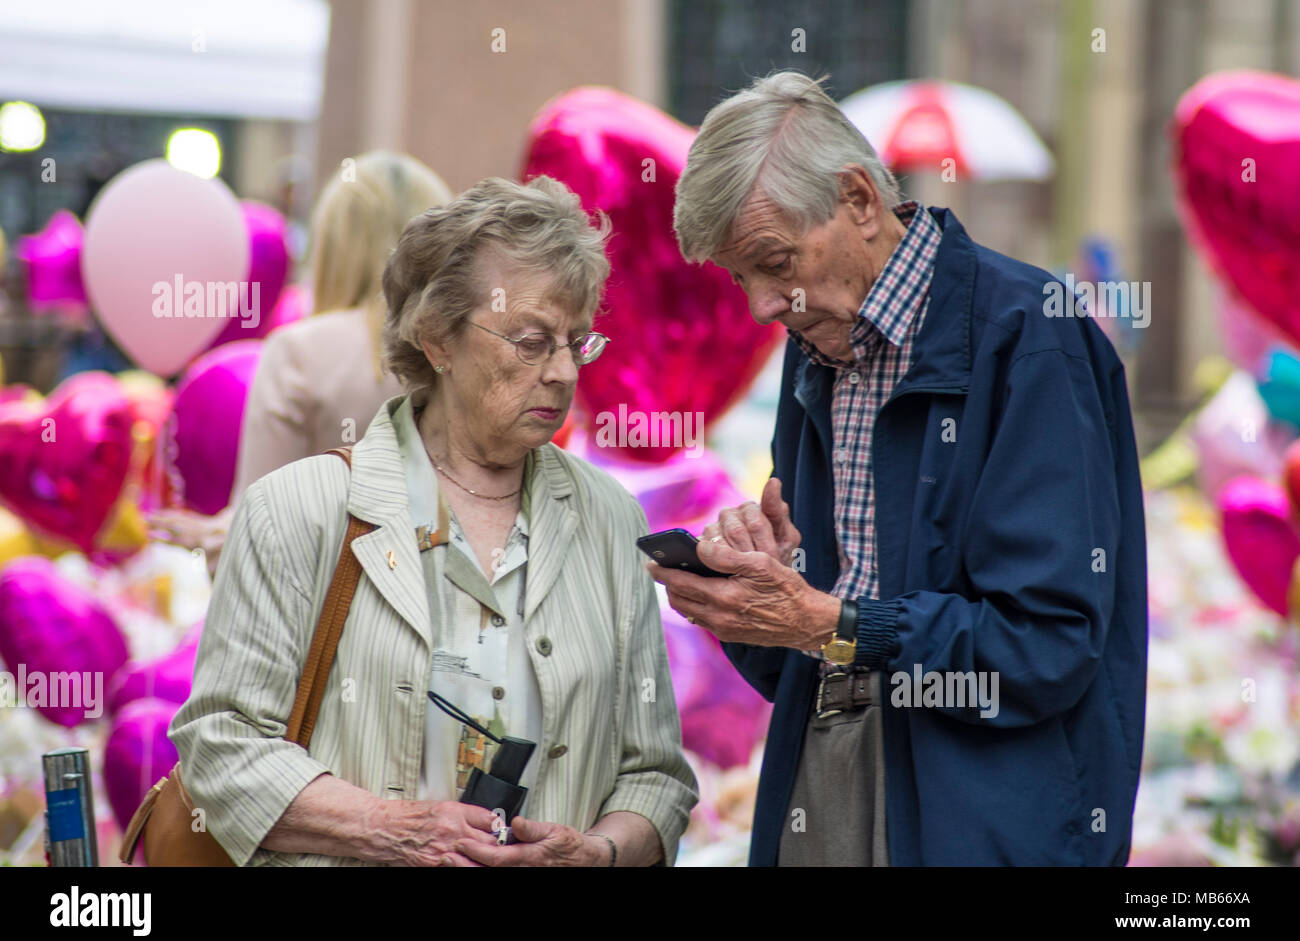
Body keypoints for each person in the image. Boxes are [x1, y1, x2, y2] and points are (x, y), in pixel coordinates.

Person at [654, 71, 1147, 866]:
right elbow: (804, 657)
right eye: (740, 278)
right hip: (826, 767)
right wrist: (759, 591)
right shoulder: (816, 343)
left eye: (774, 263)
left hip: (981, 809)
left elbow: (1045, 646)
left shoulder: (1031, 336)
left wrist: (831, 623)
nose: (761, 306)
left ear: (857, 198)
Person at [169, 175, 698, 867]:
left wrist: (599, 851)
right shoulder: (300, 508)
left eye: (578, 342)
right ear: (437, 339)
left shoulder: (607, 517)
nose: (564, 371)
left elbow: (655, 773)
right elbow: (221, 749)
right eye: (532, 342)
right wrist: (402, 830)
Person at [148, 151, 453, 574]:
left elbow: (262, 534)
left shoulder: (300, 353)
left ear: (335, 244)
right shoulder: (463, 349)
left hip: (328, 622)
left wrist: (213, 540)